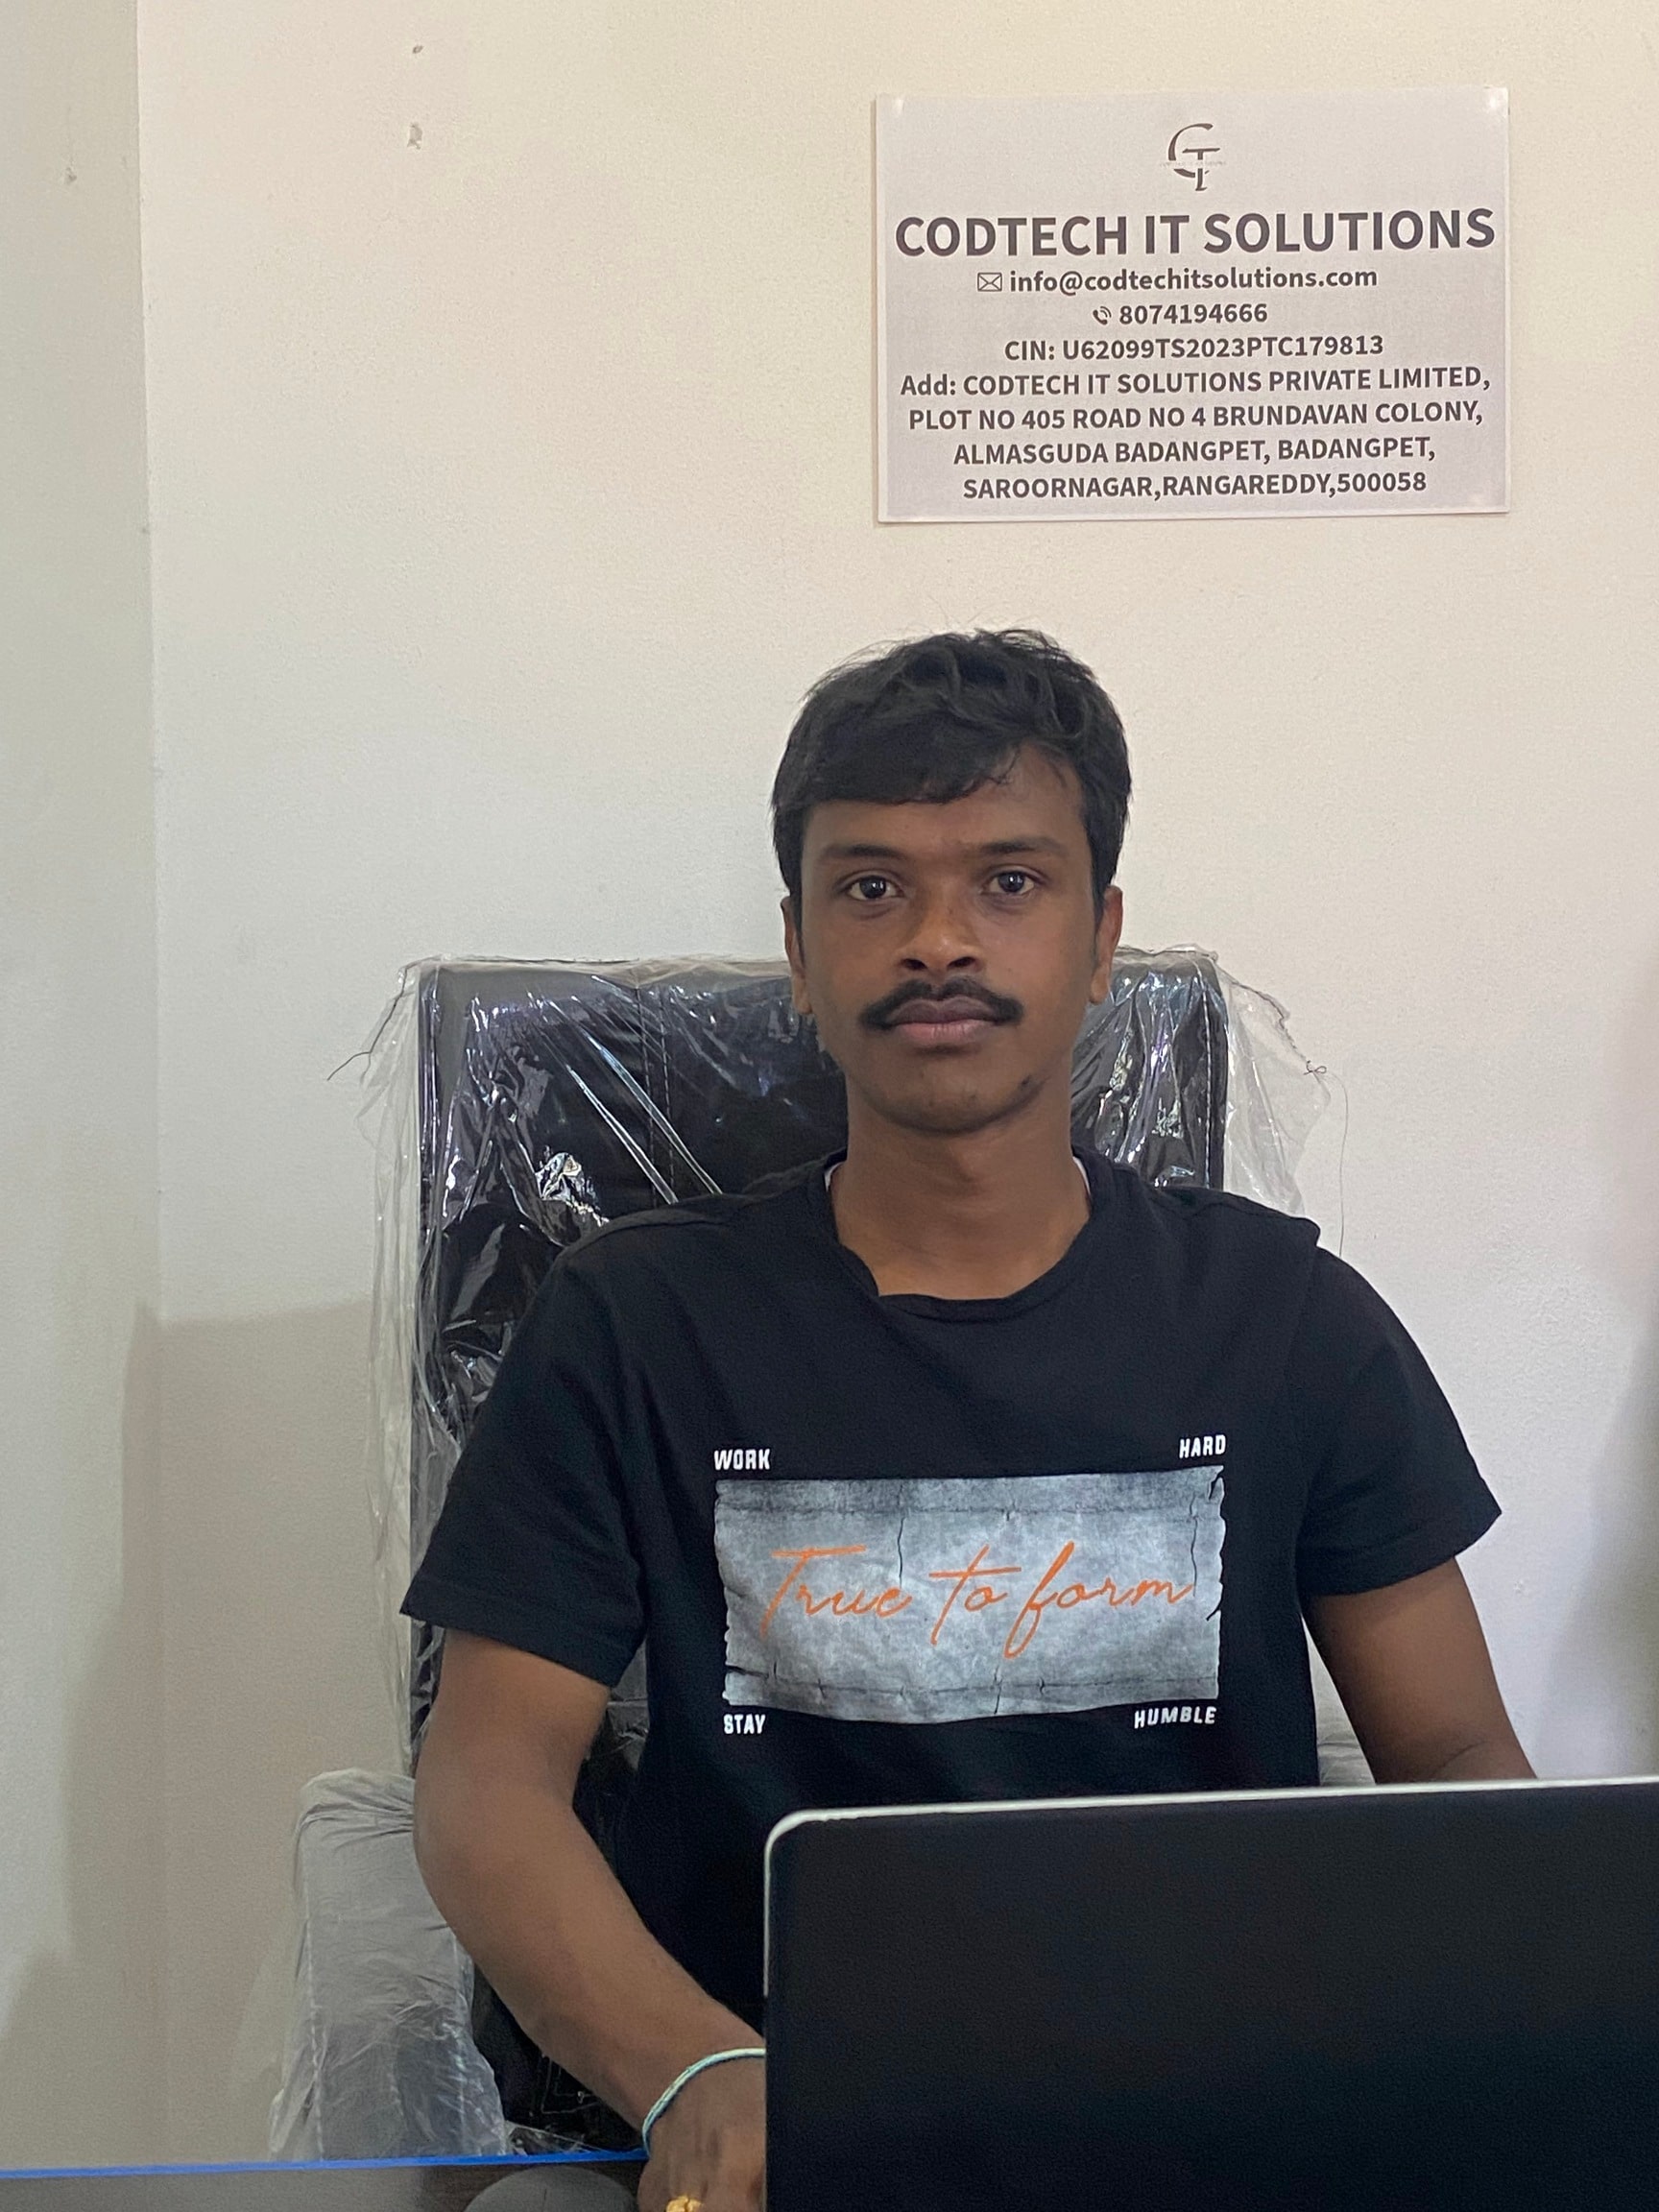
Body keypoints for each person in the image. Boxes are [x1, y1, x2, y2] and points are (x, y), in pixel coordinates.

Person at [406, 629, 1531, 2212]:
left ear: (1100, 936)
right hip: (779, 2139)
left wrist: (1525, 2050)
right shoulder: (632, 1327)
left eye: (1009, 881)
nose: (939, 940)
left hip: (1208, 2129)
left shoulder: (1287, 1323)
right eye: (872, 888)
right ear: (802, 952)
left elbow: (1458, 1756)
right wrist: (693, 2070)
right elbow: (486, 1782)